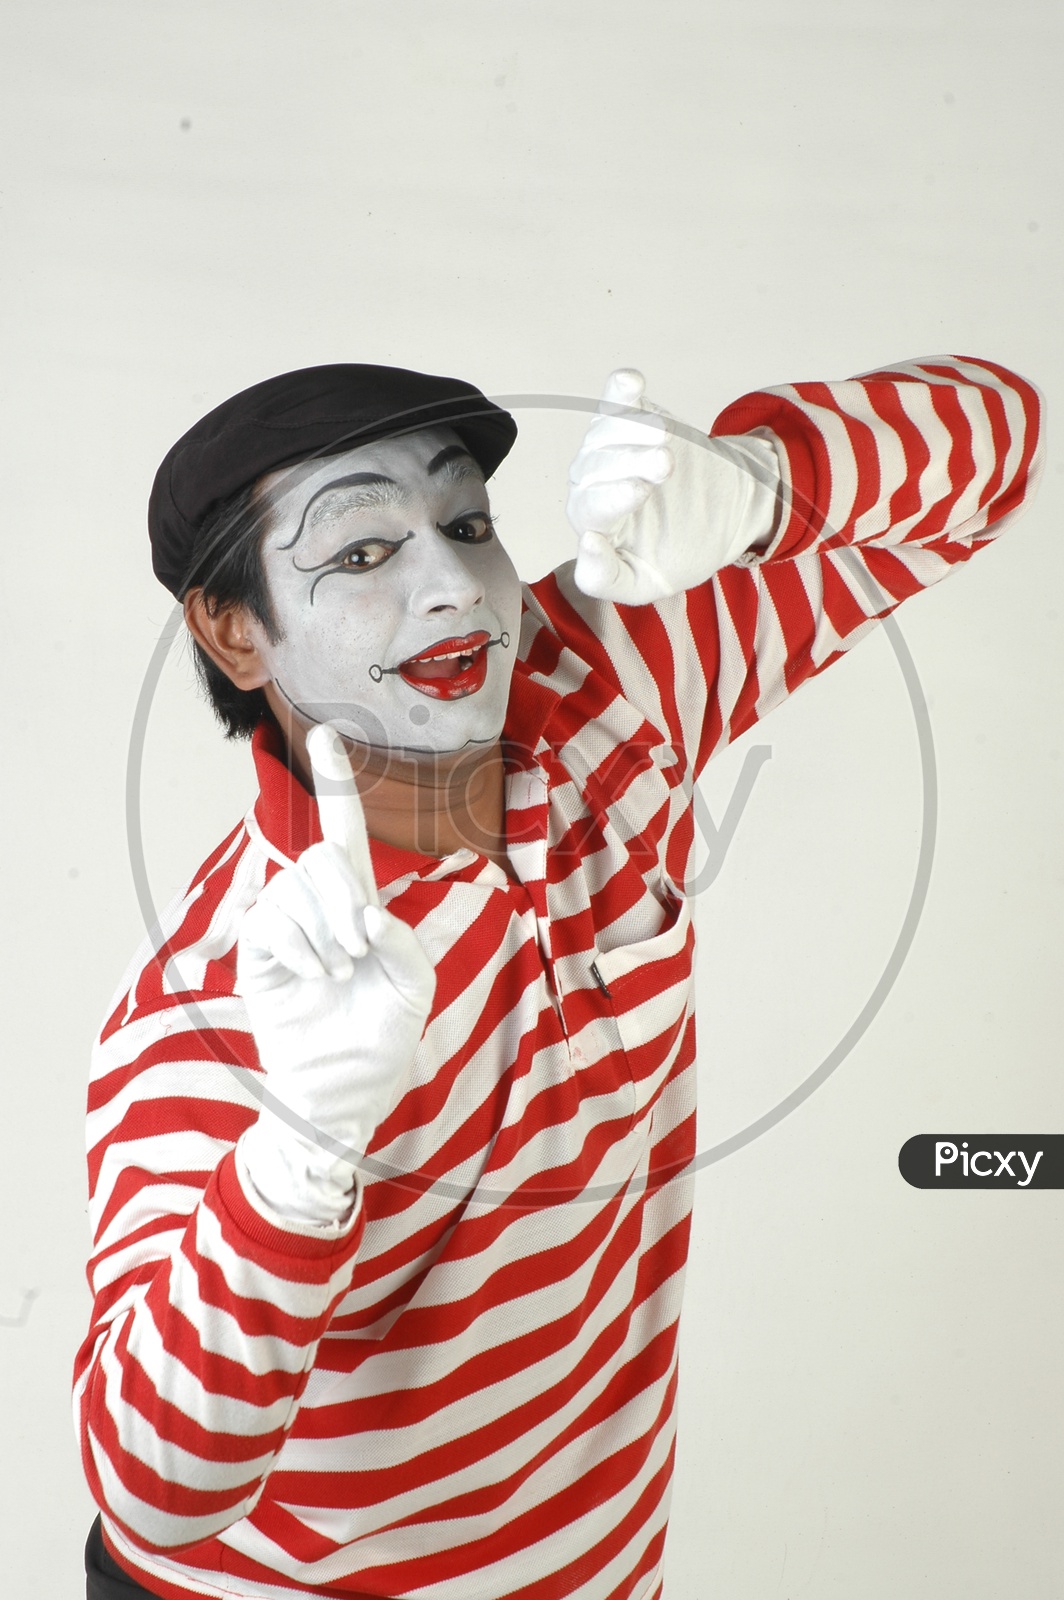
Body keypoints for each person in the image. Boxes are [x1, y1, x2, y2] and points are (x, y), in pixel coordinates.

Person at [76, 356, 1043, 1600]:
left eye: (467, 524)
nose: (453, 590)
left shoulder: (596, 682)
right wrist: (300, 1149)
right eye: (363, 555)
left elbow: (992, 449)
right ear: (234, 629)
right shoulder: (216, 1007)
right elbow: (154, 1483)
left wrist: (762, 489)